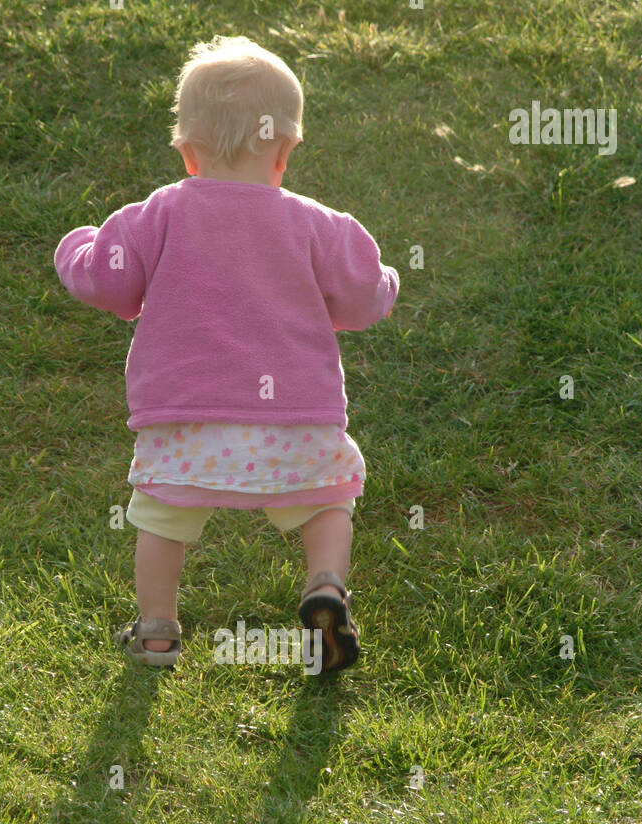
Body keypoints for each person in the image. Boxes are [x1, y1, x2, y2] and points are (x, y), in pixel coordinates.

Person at [54, 35, 398, 670]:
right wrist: (386, 282)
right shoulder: (317, 224)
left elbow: (107, 280)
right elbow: (362, 298)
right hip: (295, 420)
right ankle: (325, 584)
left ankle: (157, 630)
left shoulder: (154, 215)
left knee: (162, 518)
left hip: (186, 421)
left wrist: (74, 248)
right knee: (328, 500)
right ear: (287, 150)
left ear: (187, 151)